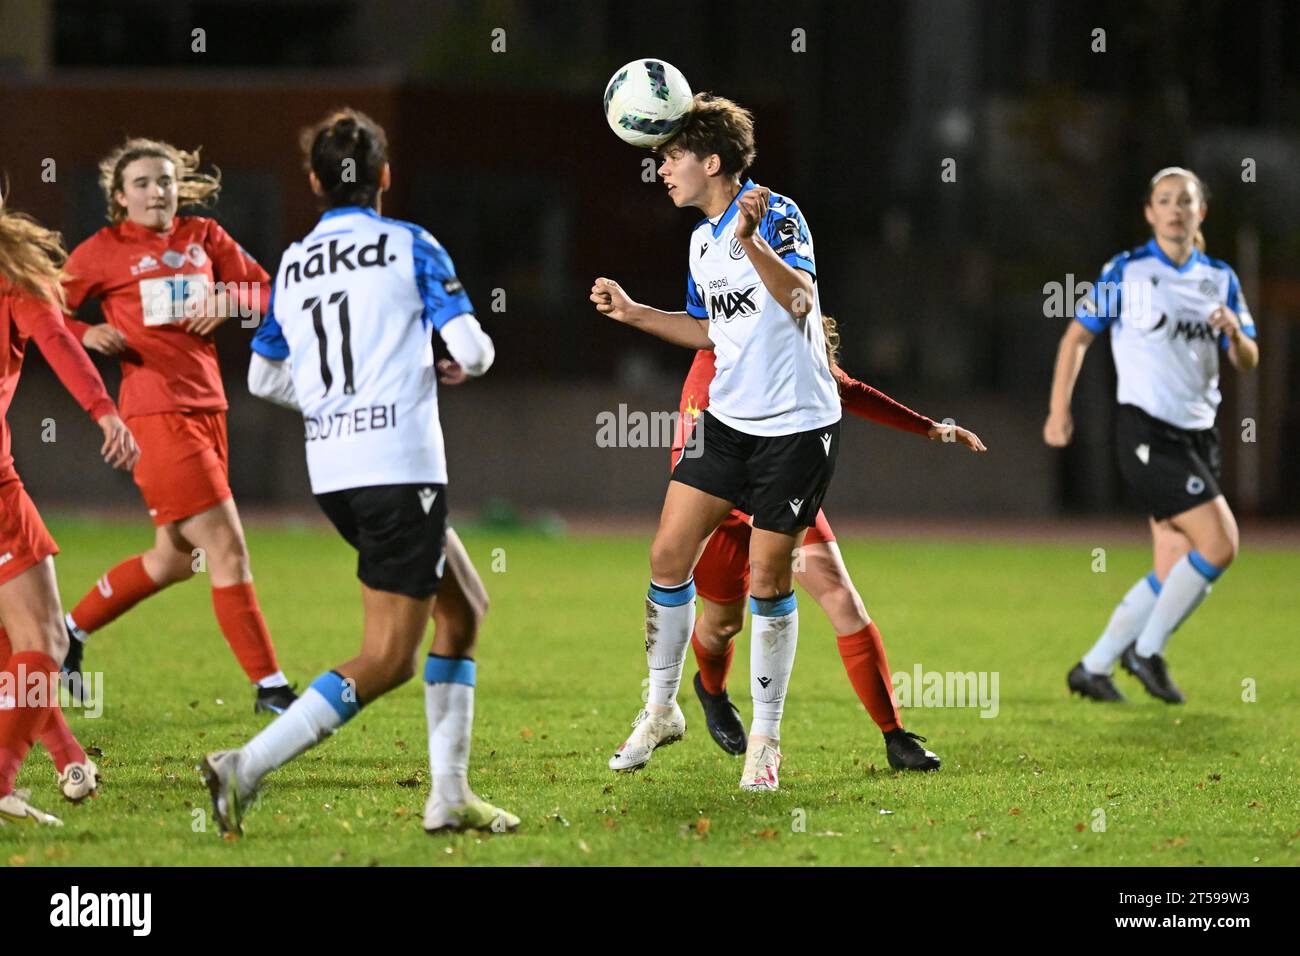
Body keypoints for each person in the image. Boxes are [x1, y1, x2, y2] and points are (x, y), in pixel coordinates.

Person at [203, 108, 517, 836]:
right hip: (399, 467)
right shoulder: (410, 245)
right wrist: (438, 369)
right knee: (387, 658)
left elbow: (261, 378)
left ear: (314, 180)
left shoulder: (294, 261)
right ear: (383, 175)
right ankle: (243, 767)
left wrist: (330, 403)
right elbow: (472, 352)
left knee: (463, 610)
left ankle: (450, 795)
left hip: (336, 471)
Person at [592, 93, 842, 791]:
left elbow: (799, 302)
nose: (662, 170)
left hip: (796, 426)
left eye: (671, 157)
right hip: (730, 420)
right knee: (668, 555)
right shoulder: (701, 241)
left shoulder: (775, 212)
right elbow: (711, 331)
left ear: (711, 161)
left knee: (766, 579)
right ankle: (660, 708)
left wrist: (754, 242)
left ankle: (765, 739)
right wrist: (637, 314)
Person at [674, 315, 985, 772]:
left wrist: (930, 428)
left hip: (781, 496)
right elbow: (692, 445)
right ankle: (712, 690)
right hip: (720, 506)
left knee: (843, 600)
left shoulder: (794, 341)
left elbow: (846, 388)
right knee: (722, 625)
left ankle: (895, 736)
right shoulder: (720, 351)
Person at [59, 138, 295, 714]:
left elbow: (270, 293)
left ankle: (67, 633)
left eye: (164, 180)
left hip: (209, 408)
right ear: (119, 197)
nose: (155, 191)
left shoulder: (203, 237)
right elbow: (44, 310)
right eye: (141, 183)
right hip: (153, 414)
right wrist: (84, 333)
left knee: (175, 560)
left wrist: (230, 298)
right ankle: (271, 688)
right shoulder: (102, 250)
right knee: (227, 548)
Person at [1046, 167, 1258, 704]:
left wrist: (1234, 332)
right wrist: (1058, 411)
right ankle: (1147, 651)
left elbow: (1248, 360)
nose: (1175, 209)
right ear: (1150, 212)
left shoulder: (1221, 278)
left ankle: (1093, 668)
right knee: (1222, 542)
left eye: (1185, 200)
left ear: (1199, 212)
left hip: (1199, 436)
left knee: (1171, 566)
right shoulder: (1129, 271)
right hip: (1146, 433)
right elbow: (1076, 338)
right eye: (1164, 200)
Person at [0, 190, 139, 824]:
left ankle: (66, 756)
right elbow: (58, 342)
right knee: (47, 638)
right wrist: (104, 411)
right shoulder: (12, 273)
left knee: (14, 640)